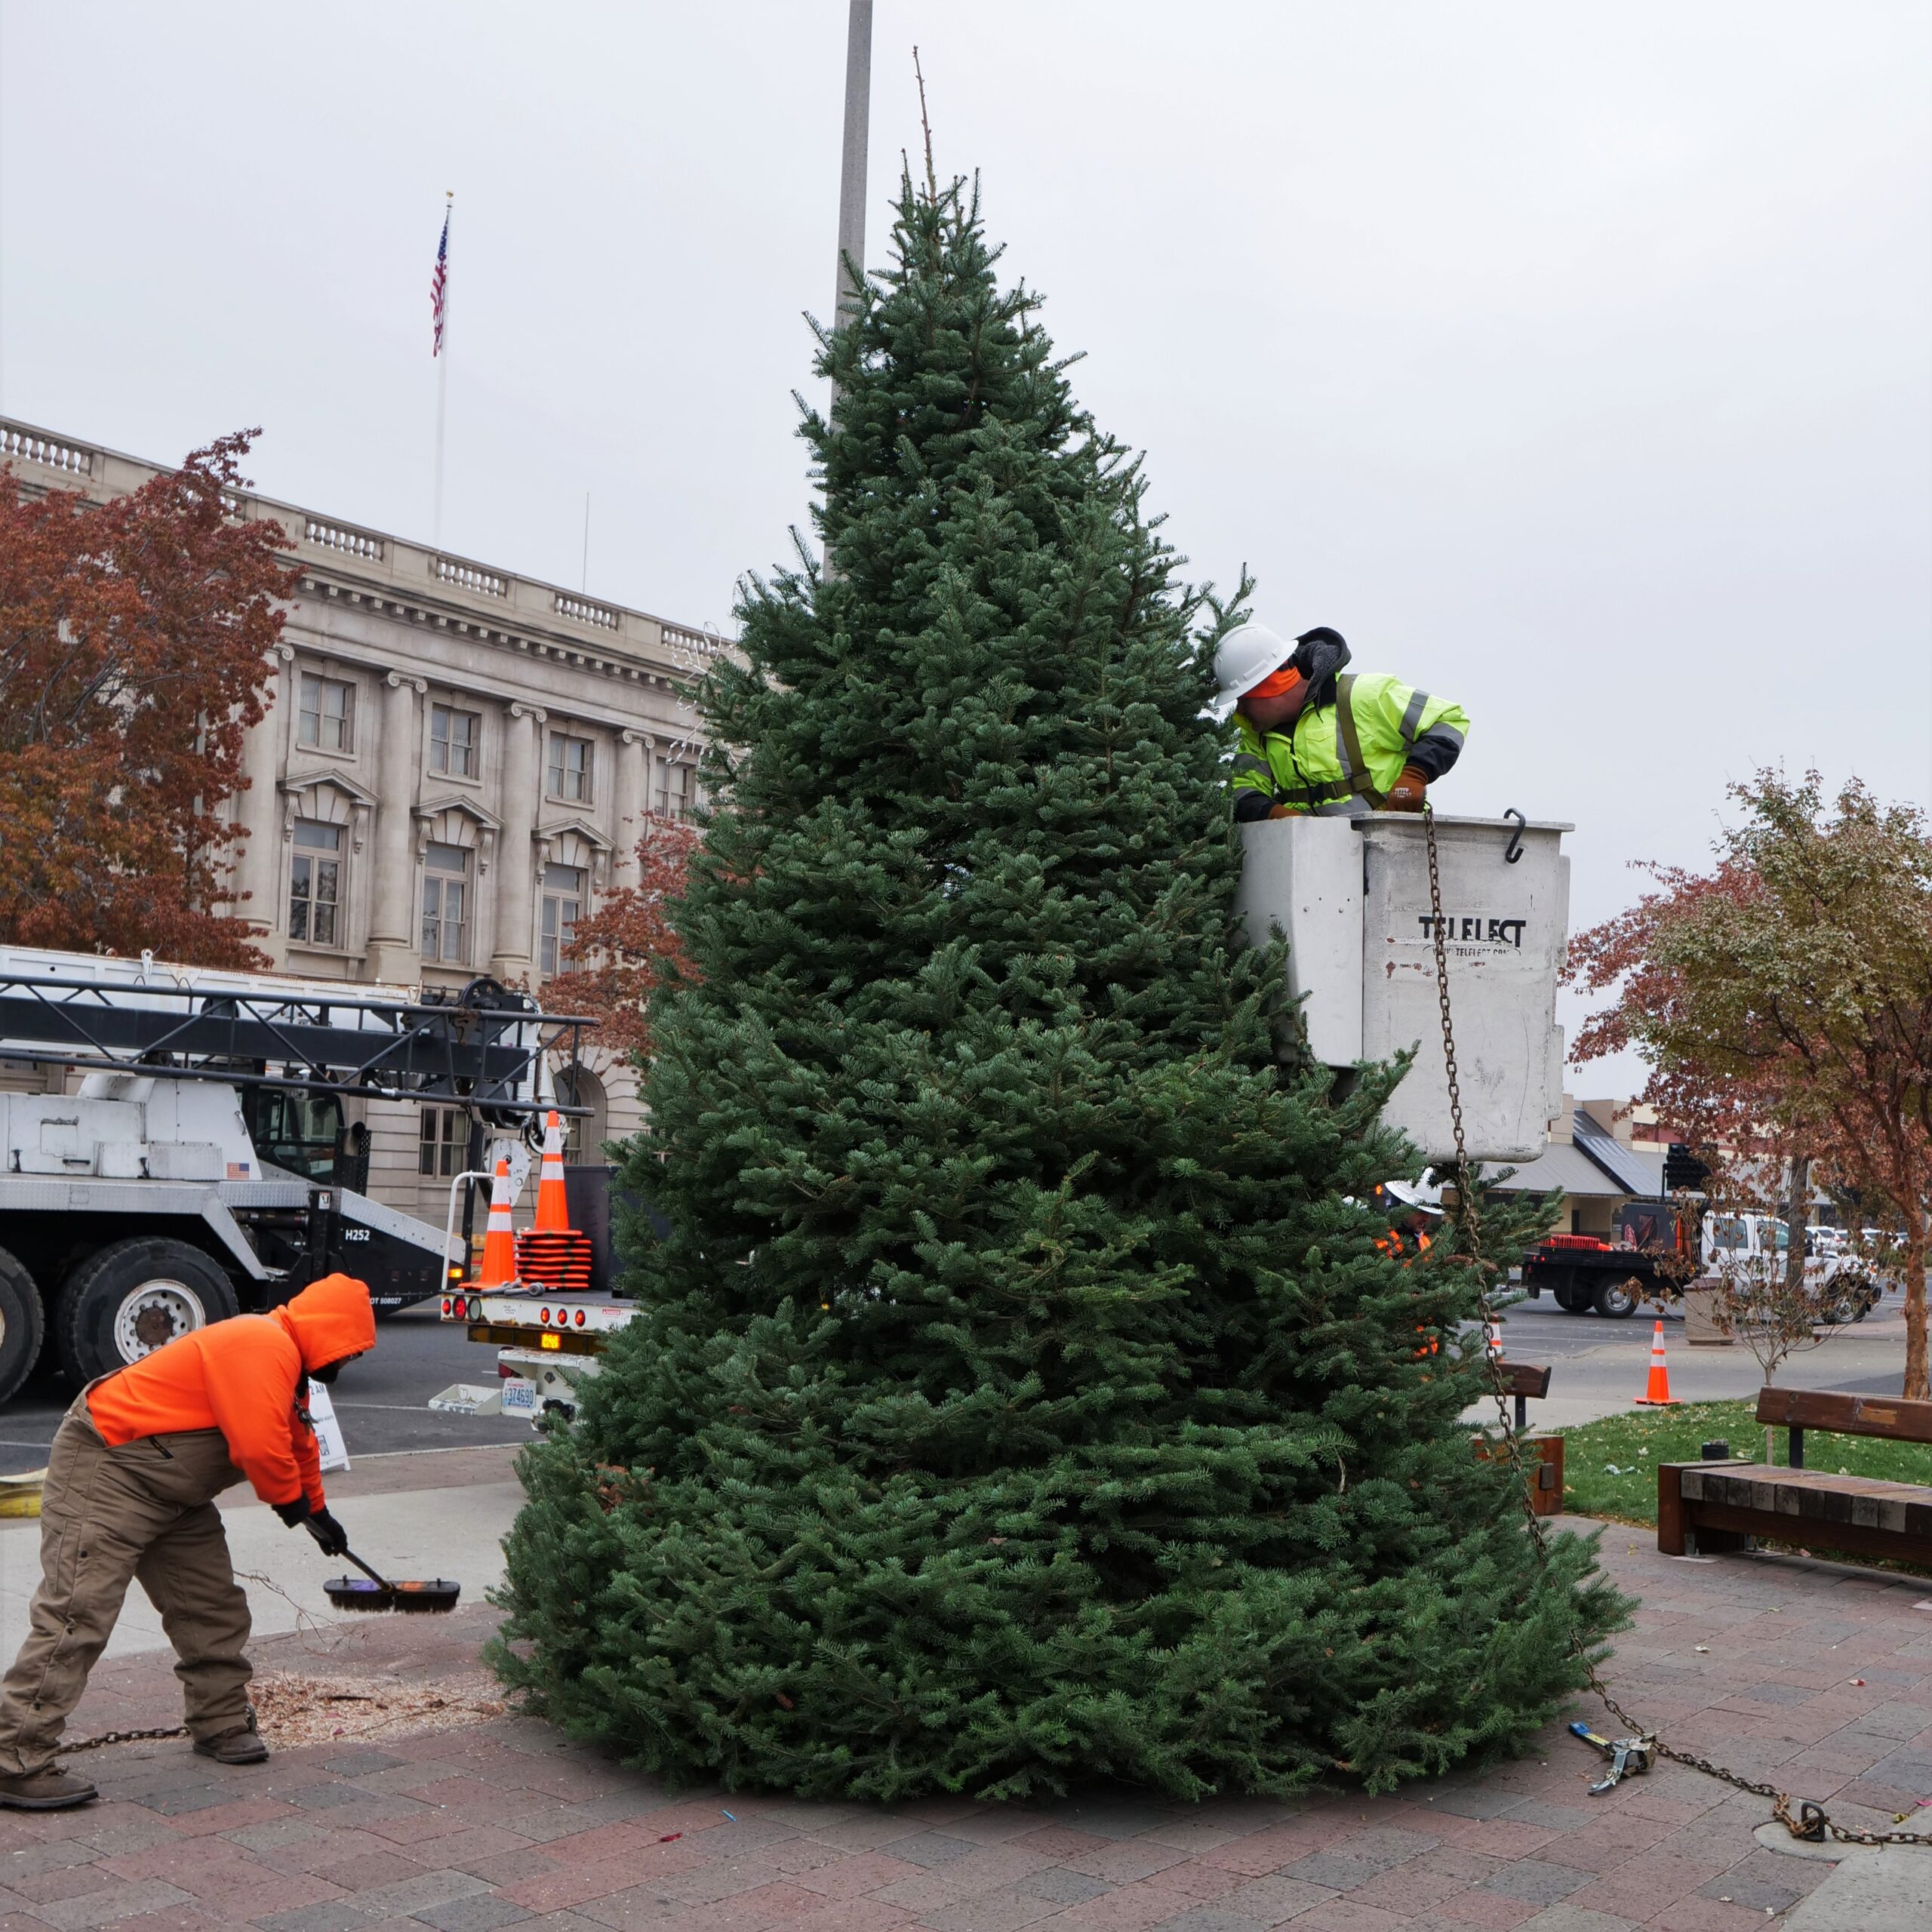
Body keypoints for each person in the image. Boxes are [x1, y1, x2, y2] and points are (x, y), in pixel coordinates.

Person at [0, 1272, 376, 1810]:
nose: (348, 1362)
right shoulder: (262, 1341)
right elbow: (259, 1445)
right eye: (351, 1350)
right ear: (331, 1333)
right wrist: (291, 1504)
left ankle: (220, 1721)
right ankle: (14, 1757)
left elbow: (297, 1441)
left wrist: (319, 1513)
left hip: (173, 1491)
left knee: (211, 1607)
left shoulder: (286, 1367)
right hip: (108, 1470)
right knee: (77, 1613)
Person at [1210, 623, 1469, 820]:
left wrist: (1414, 775)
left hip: (1390, 842)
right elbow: (1240, 790)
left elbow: (1447, 720)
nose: (1240, 711)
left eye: (1243, 700)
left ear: (1266, 687)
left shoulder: (1363, 696)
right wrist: (1275, 814)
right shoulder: (1257, 736)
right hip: (1312, 858)